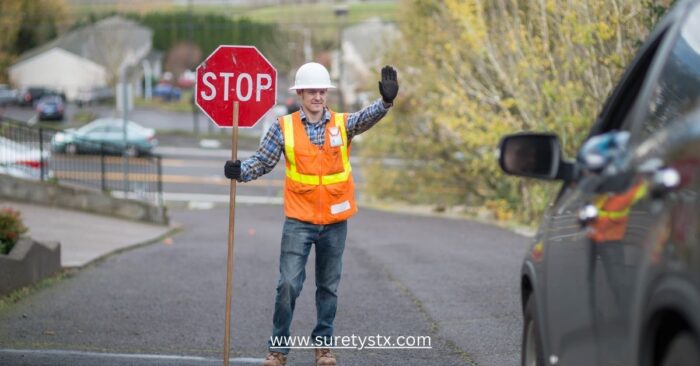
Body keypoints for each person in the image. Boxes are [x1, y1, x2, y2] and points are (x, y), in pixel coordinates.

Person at [224, 62, 399, 366]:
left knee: (328, 288)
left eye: (322, 91)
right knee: (288, 285)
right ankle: (278, 351)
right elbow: (263, 162)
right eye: (312, 91)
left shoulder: (343, 124)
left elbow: (365, 118)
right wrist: (240, 172)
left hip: (334, 222)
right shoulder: (284, 127)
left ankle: (324, 348)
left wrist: (385, 102)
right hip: (299, 221)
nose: (318, 96)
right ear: (301, 93)